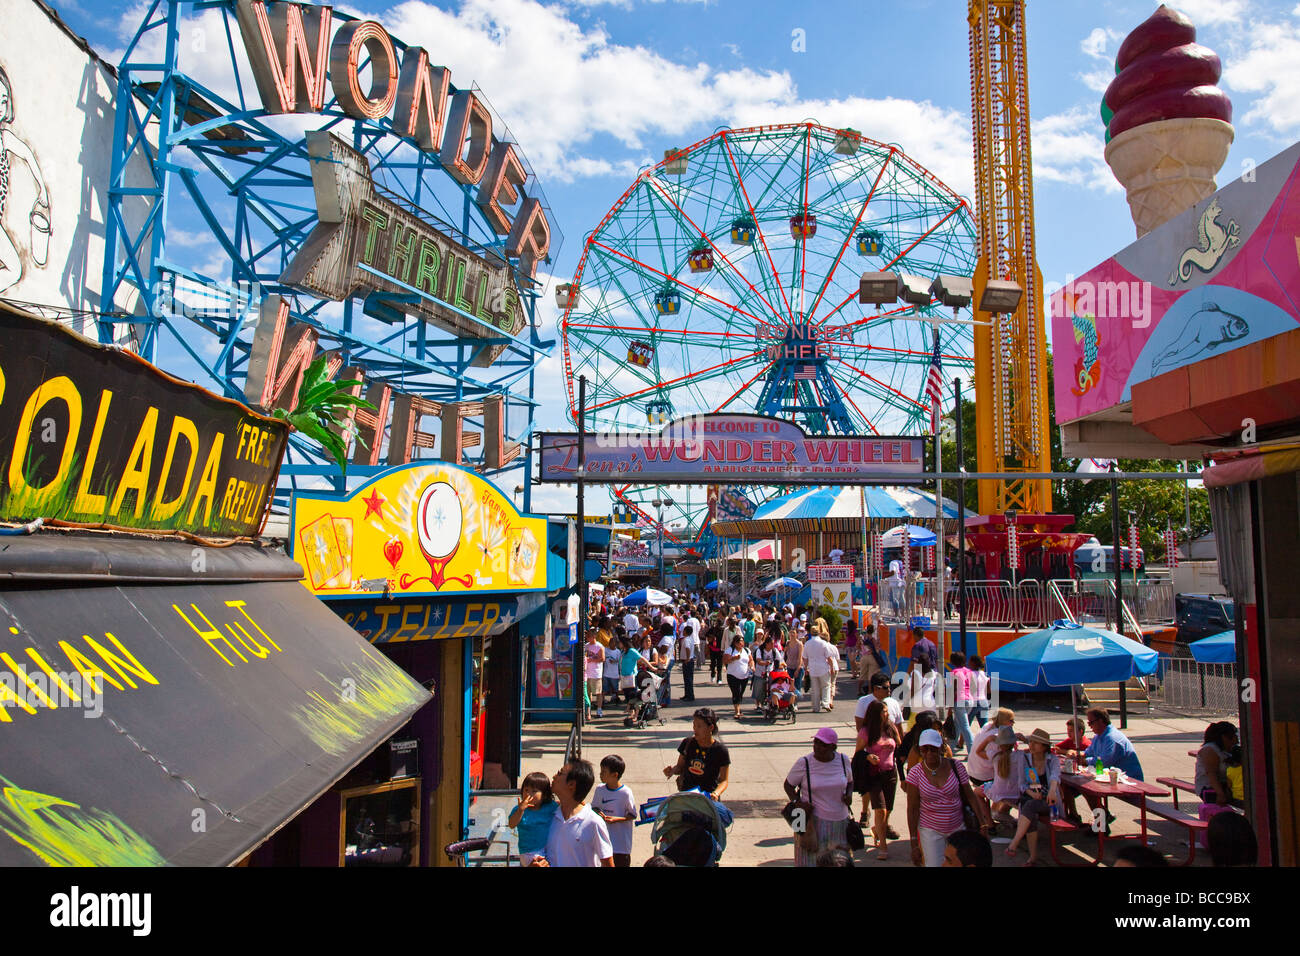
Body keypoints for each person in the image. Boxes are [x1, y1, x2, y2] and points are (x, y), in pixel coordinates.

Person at [904, 729, 992, 867]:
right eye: (924, 750)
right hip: (930, 829)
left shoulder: (956, 767)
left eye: (932, 749)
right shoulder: (915, 773)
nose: (928, 753)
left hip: (958, 826)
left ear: (941, 748)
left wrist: (983, 824)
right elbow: (912, 809)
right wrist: (914, 843)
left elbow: (971, 796)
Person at [784, 728, 854, 867]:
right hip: (812, 823)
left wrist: (849, 795)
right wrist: (797, 802)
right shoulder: (804, 763)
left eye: (823, 744)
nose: (817, 747)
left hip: (840, 822)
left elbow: (850, 782)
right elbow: (788, 785)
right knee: (809, 861)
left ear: (833, 747)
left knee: (838, 862)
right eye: (816, 742)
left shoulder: (843, 760)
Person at [529, 759, 613, 867]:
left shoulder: (593, 822)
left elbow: (608, 864)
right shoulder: (548, 817)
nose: (554, 776)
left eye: (560, 773)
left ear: (572, 784)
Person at [1004, 728, 1062, 866]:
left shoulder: (1052, 759)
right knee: (1030, 810)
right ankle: (1032, 857)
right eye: (1031, 742)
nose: (1031, 745)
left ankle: (1015, 844)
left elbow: (1055, 776)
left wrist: (1052, 790)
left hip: (1051, 803)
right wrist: (1032, 793)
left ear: (1044, 747)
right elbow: (1022, 784)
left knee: (1029, 806)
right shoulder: (1025, 758)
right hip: (1033, 798)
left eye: (1036, 743)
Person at [853, 697, 901, 860]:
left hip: (890, 773)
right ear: (876, 714)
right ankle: (883, 846)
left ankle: (877, 829)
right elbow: (858, 753)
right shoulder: (866, 731)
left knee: (888, 809)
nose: (887, 715)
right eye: (884, 712)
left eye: (887, 711)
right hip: (874, 775)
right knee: (880, 809)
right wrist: (867, 757)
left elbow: (899, 747)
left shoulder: (890, 728)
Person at [663, 708, 730, 800]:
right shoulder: (688, 743)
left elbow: (724, 781)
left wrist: (716, 793)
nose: (695, 729)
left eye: (699, 726)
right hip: (687, 797)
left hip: (708, 799)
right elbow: (680, 766)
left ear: (711, 728)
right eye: (694, 725)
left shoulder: (720, 750)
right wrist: (672, 771)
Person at [592, 755, 637, 868]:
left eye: (604, 771)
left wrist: (616, 819)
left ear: (615, 775)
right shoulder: (600, 789)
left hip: (621, 845)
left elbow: (632, 814)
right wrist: (599, 813)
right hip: (603, 843)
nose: (600, 774)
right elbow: (595, 807)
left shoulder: (626, 793)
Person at [507, 771, 558, 867]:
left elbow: (564, 809)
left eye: (534, 791)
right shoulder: (519, 809)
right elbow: (511, 824)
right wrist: (520, 810)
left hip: (547, 849)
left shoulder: (550, 806)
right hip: (528, 853)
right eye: (526, 790)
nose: (528, 794)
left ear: (545, 794)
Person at [1082, 708, 1144, 780]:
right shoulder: (1098, 737)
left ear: (1100, 721)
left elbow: (1104, 762)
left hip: (1129, 779)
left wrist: (1085, 761)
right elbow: (1088, 753)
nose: (1089, 726)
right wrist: (1075, 754)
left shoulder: (1112, 738)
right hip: (1113, 778)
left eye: (1091, 722)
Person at [1196, 721, 1241, 808]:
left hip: (1227, 785)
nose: (1237, 739)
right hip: (1210, 788)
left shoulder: (1227, 749)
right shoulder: (1210, 750)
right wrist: (1220, 794)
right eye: (1234, 735)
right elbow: (1211, 774)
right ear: (1224, 737)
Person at [968, 707, 1016, 787]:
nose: (1013, 723)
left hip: (972, 773)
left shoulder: (987, 726)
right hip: (984, 777)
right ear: (1003, 721)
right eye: (1011, 720)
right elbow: (1009, 755)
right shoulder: (998, 736)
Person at [985, 726, 1021, 824]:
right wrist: (1025, 740)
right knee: (1008, 788)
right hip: (1016, 793)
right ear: (1014, 743)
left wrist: (988, 740)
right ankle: (1001, 814)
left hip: (999, 792)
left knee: (977, 792)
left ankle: (988, 822)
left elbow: (978, 751)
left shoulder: (994, 755)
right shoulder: (1020, 756)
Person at [804, 623, 839, 714]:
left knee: (815, 689)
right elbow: (829, 657)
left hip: (812, 668)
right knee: (826, 685)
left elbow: (805, 658)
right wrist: (831, 667)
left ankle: (816, 707)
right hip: (823, 667)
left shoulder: (807, 644)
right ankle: (825, 703)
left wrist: (805, 668)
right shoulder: (823, 643)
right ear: (819, 633)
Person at [948, 652, 975, 754]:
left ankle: (972, 751)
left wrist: (950, 706)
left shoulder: (953, 672)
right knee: (958, 724)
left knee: (964, 726)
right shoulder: (969, 671)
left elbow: (952, 690)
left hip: (959, 700)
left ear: (952, 661)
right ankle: (950, 747)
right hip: (970, 700)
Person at [723, 635, 752, 720]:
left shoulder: (746, 650)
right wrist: (733, 658)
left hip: (744, 675)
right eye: (739, 642)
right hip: (733, 675)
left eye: (742, 641)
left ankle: (738, 707)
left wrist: (752, 666)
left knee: (740, 693)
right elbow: (725, 660)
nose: (741, 643)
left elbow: (751, 660)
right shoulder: (730, 650)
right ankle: (737, 711)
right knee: (736, 692)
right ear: (735, 643)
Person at [677, 609, 699, 703]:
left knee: (688, 679)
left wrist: (687, 658)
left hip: (687, 660)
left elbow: (687, 649)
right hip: (689, 659)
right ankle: (688, 694)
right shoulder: (690, 639)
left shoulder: (686, 640)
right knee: (688, 679)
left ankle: (689, 695)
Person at [583, 629, 606, 718]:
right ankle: (588, 711)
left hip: (596, 673)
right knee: (588, 693)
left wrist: (592, 660)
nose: (587, 638)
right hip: (587, 673)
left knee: (598, 692)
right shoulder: (586, 646)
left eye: (589, 636)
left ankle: (599, 709)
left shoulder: (599, 646)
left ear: (594, 636)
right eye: (587, 636)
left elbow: (603, 659)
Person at [968, 655, 991, 728]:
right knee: (984, 727)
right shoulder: (984, 674)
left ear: (972, 663)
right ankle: (987, 739)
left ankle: (965, 739)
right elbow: (988, 690)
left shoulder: (969, 674)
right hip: (984, 702)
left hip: (973, 702)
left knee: (966, 726)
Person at [784, 626, 805, 696]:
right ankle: (790, 702)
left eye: (793, 633)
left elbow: (800, 657)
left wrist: (798, 669)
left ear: (796, 634)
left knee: (797, 686)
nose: (792, 634)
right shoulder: (788, 643)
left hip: (797, 666)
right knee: (788, 685)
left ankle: (795, 702)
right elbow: (784, 653)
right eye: (791, 633)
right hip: (789, 666)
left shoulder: (799, 644)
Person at [603, 636, 623, 704]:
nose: (611, 644)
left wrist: (614, 661)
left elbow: (620, 661)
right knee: (604, 688)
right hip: (606, 672)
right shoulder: (605, 650)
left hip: (615, 673)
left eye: (613, 642)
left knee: (615, 688)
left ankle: (615, 698)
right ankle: (603, 700)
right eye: (610, 642)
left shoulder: (618, 652)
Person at [707, 617, 725, 685]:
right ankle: (713, 674)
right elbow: (707, 635)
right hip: (712, 648)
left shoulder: (723, 630)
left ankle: (719, 678)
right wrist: (711, 637)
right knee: (713, 663)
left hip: (720, 649)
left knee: (719, 664)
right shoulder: (712, 629)